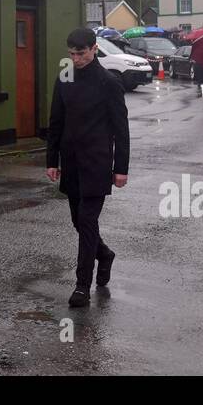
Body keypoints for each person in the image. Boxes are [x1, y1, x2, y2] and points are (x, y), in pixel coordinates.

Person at [46, 27, 130, 308]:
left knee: (87, 220)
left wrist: (121, 169)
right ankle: (104, 254)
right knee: (77, 221)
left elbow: (121, 130)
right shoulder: (64, 80)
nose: (76, 59)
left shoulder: (109, 82)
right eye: (71, 54)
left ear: (94, 49)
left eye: (80, 53)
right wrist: (51, 161)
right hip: (71, 163)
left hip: (97, 163)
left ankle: (82, 285)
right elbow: (56, 122)